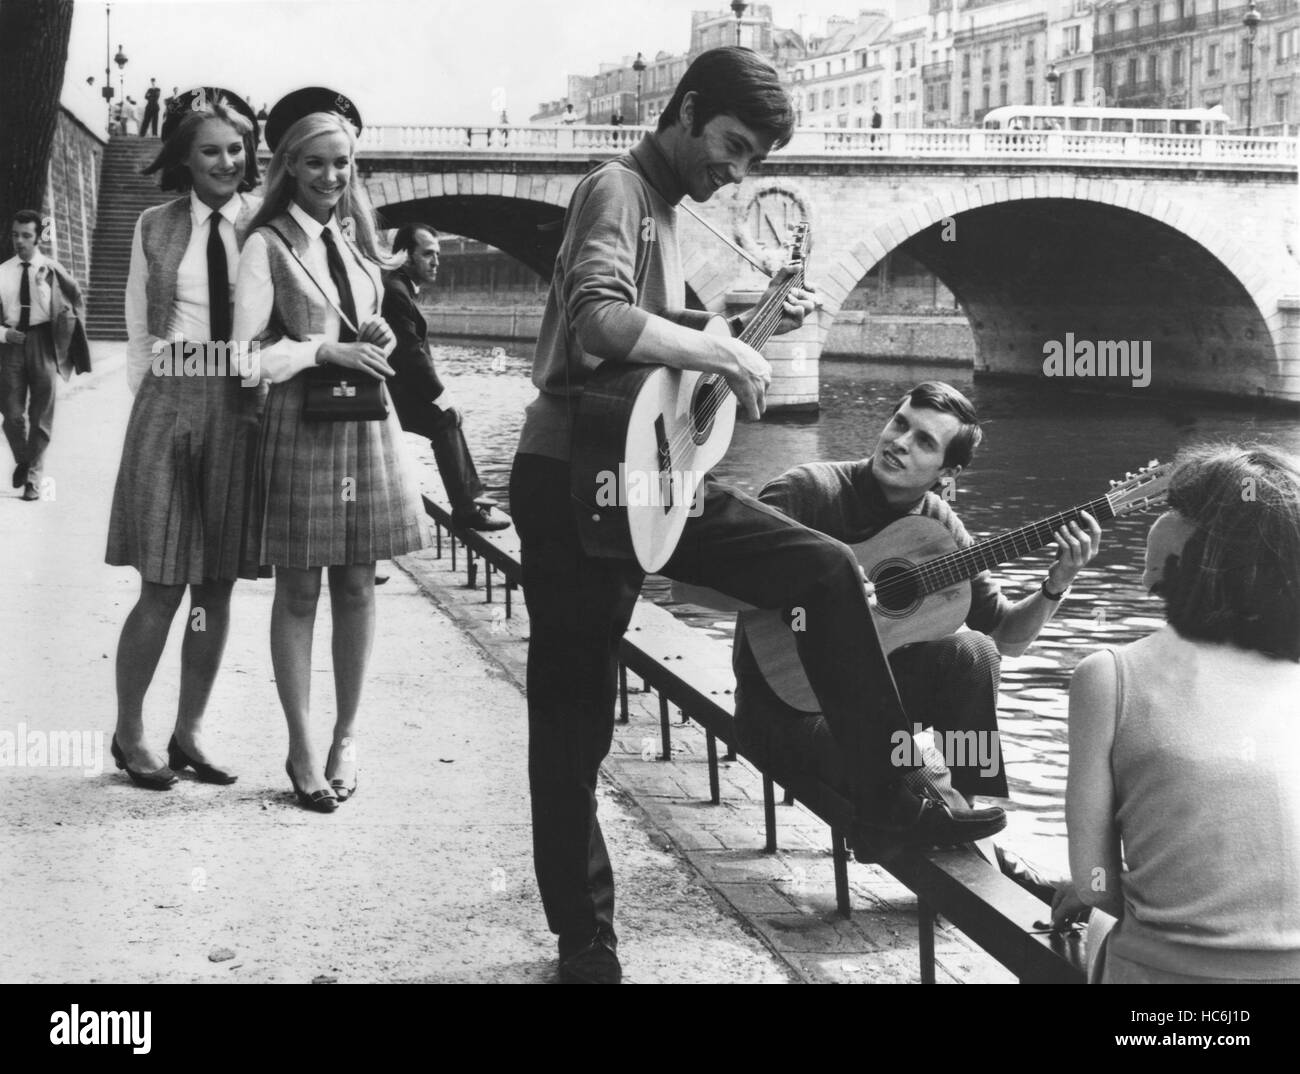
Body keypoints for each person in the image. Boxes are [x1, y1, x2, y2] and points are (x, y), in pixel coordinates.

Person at [510, 46, 1005, 985]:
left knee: (820, 566)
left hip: (639, 477)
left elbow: (673, 370)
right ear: (687, 110)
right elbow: (597, 324)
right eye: (731, 146)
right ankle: (587, 941)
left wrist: (753, 325)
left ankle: (890, 785)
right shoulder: (616, 188)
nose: (733, 172)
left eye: (751, 161)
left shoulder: (668, 212)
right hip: (575, 476)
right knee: (573, 721)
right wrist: (731, 358)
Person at [714, 381, 1100, 891]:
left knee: (975, 652)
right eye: (900, 424)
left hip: (870, 716)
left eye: (924, 441)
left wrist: (1057, 583)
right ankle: (991, 857)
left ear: (948, 474)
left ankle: (967, 800)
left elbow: (1006, 638)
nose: (899, 441)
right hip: (784, 714)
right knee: (914, 788)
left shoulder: (938, 526)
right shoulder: (806, 490)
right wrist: (820, 594)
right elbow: (716, 582)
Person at [233, 88, 425, 813]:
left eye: (342, 163)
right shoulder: (267, 244)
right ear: (288, 166)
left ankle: (347, 736)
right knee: (300, 590)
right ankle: (302, 743)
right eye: (314, 164)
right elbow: (241, 359)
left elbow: (365, 327)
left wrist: (374, 339)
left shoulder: (356, 246)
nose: (330, 176)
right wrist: (323, 350)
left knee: (356, 584)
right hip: (303, 426)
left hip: (364, 427)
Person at [1057, 443, 1300, 983]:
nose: (1143, 585)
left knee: (1086, 917)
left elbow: (1095, 884)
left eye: (1157, 575)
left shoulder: (1108, 676)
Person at [105, 88, 264, 791]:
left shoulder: (266, 224)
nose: (225, 161)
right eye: (210, 151)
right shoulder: (152, 226)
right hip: (171, 399)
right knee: (162, 583)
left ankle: (189, 731)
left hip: (242, 406)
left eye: (236, 149)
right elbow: (139, 330)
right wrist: (160, 400)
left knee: (217, 584)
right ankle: (131, 731)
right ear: (184, 158)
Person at [383, 223, 509, 530]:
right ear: (405, 255)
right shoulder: (396, 293)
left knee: (446, 416)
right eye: (427, 254)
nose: (436, 261)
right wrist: (443, 398)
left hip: (392, 392)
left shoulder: (397, 288)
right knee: (445, 417)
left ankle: (470, 499)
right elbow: (411, 356)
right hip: (385, 398)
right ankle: (466, 508)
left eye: (437, 254)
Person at [0, 210, 90, 501]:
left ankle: (33, 480)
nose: (20, 241)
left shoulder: (52, 270)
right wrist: (3, 334)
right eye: (15, 235)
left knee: (42, 413)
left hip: (43, 342)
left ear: (39, 237)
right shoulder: (2, 272)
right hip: (13, 342)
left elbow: (73, 303)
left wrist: (44, 292)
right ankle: (25, 461)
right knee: (12, 415)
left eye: (26, 235)